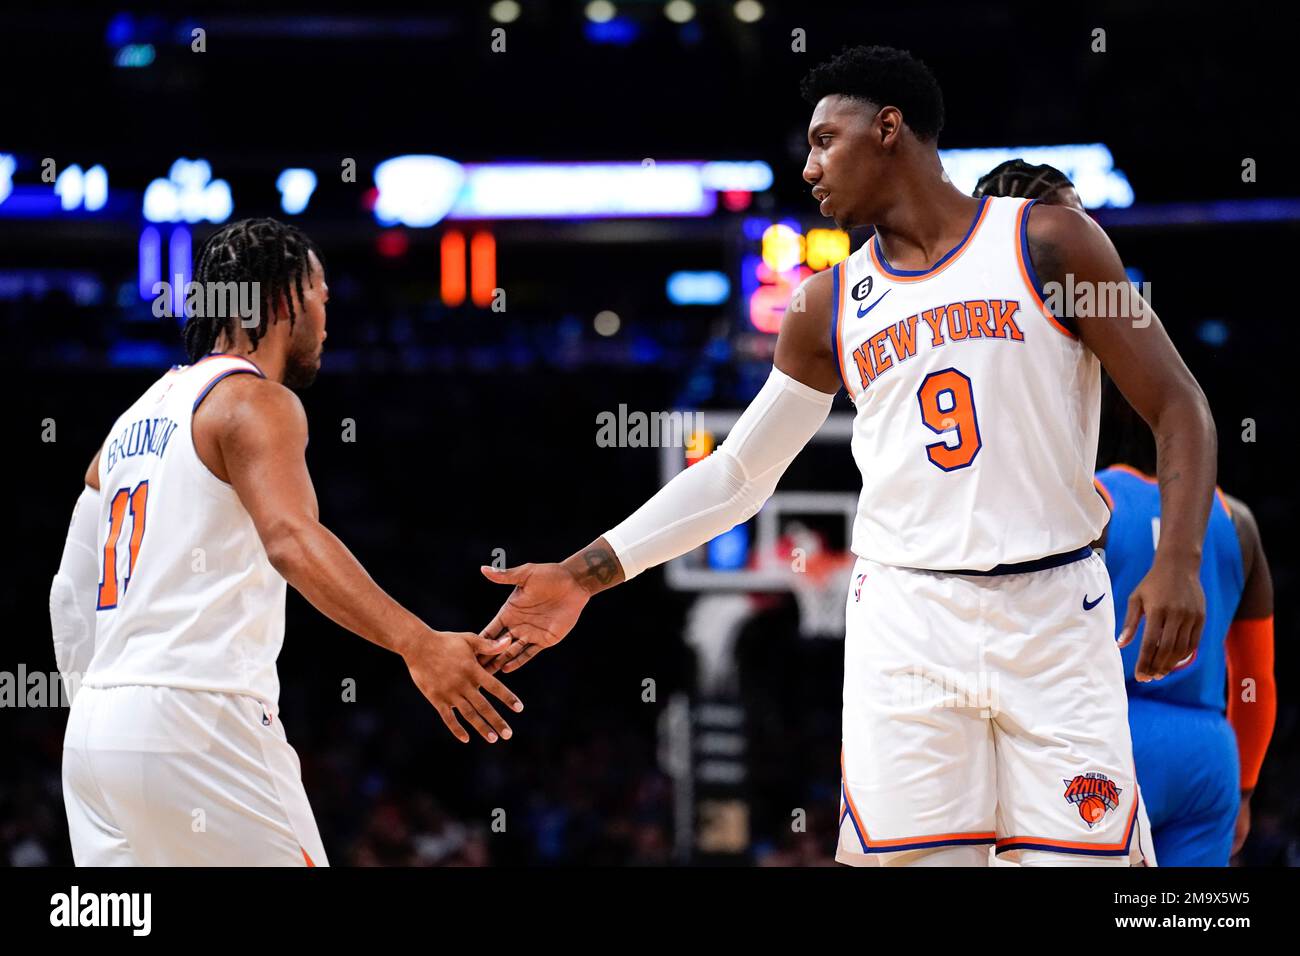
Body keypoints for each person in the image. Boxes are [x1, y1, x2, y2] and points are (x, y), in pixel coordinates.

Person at [477, 46, 1219, 867]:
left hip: (1054, 609)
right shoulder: (825, 304)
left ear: (889, 129)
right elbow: (737, 474)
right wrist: (585, 573)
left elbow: (1178, 404)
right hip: (907, 627)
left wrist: (1178, 558)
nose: (808, 167)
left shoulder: (1050, 242)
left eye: (826, 140)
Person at [49, 218, 521, 866]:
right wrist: (419, 644)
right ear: (283, 301)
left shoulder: (131, 420)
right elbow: (292, 540)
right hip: (200, 719)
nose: (327, 320)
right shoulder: (253, 400)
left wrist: (105, 704)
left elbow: (70, 593)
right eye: (322, 296)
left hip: (96, 736)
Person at [977, 161, 1278, 865]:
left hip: (1105, 734)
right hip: (1209, 752)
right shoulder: (1236, 519)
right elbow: (1255, 680)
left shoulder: (1086, 501)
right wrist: (1245, 785)